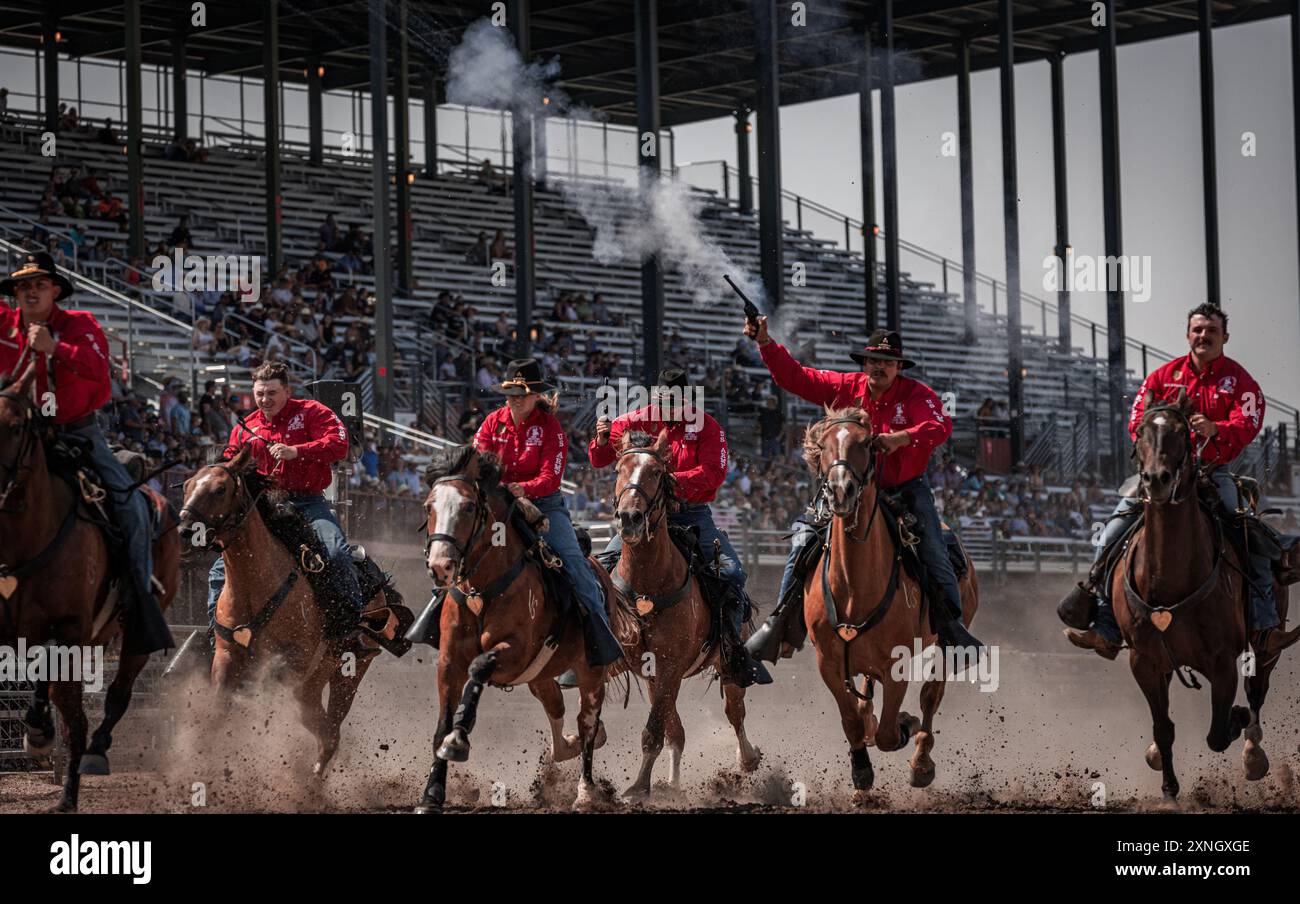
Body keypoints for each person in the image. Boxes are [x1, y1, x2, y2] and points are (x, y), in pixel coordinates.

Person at [1059, 303, 1300, 661]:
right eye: (1198, 330)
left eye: (1211, 330)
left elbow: (1249, 421)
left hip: (1212, 474)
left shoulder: (1240, 381)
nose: (1204, 336)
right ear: (1188, 334)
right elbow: (1137, 421)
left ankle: (1264, 627)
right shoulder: (1161, 377)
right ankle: (1107, 627)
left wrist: (1218, 428)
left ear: (1224, 337)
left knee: (1247, 535)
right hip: (1158, 476)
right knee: (1109, 535)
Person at [743, 322, 984, 662]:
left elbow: (940, 426)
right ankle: (780, 624)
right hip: (850, 489)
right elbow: (794, 377)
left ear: (898, 367)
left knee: (932, 546)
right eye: (873, 360)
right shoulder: (845, 387)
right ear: (864, 363)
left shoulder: (917, 395)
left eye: (886, 362)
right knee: (802, 539)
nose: (878, 366)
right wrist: (765, 342)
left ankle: (951, 629)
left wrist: (900, 438)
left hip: (905, 490)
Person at [0, 252, 172, 654]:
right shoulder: (4, 328)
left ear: (55, 290)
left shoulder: (79, 325)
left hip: (76, 433)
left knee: (127, 502)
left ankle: (140, 596)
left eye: (39, 284)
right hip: (15, 433)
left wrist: (55, 347)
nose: (30, 291)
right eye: (23, 286)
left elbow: (98, 368)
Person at [589, 367, 772, 688]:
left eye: (674, 400)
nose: (667, 406)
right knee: (601, 572)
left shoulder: (707, 427)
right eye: (662, 400)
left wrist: (668, 483)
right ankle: (594, 647)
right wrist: (601, 439)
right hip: (645, 518)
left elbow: (714, 473)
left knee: (731, 574)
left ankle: (732, 652)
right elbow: (602, 458)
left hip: (691, 515)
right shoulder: (639, 419)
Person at [472, 358, 624, 668]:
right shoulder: (492, 422)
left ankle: (599, 632)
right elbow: (477, 461)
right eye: (511, 394)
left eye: (521, 394)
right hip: (497, 503)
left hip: (543, 505)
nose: (515, 400)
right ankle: (437, 611)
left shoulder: (550, 428)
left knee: (574, 562)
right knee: (454, 546)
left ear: (535, 395)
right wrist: (501, 489)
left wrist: (520, 489)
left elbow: (550, 479)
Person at [205, 361, 362, 642]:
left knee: (336, 553)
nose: (265, 400)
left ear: (287, 391)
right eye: (260, 394)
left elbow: (340, 445)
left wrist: (297, 451)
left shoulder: (313, 412)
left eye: (271, 393)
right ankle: (215, 631)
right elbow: (230, 462)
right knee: (220, 569)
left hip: (308, 502)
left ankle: (346, 625)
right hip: (261, 507)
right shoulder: (245, 427)